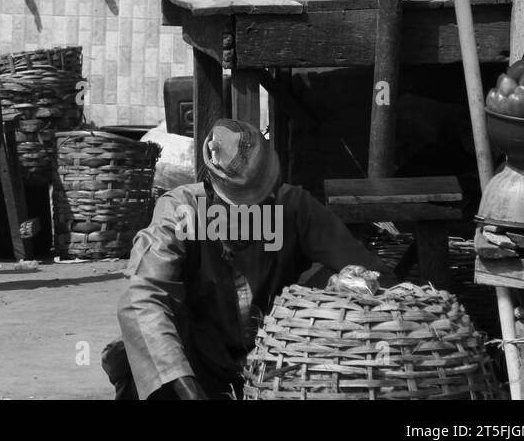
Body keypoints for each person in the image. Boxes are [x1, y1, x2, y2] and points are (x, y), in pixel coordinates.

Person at [110, 118, 394, 400]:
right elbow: (142, 296)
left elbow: (378, 278)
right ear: (212, 193)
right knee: (146, 364)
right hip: (198, 361)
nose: (253, 216)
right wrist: (188, 389)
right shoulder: (181, 211)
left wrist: (348, 290)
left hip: (273, 362)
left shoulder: (293, 207)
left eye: (262, 203)